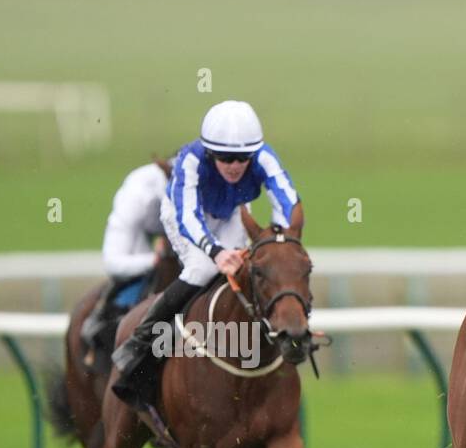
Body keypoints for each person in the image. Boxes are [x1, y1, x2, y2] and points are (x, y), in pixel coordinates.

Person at [109, 100, 303, 410]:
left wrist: (282, 237)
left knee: (255, 269)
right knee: (201, 270)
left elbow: (288, 201)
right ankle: (140, 344)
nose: (235, 166)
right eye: (225, 158)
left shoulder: (265, 158)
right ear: (210, 153)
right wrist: (214, 251)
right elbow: (188, 217)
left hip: (230, 214)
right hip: (184, 215)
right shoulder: (191, 160)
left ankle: (280, 335)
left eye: (242, 158)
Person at [80, 158, 173, 371]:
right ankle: (105, 339)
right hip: (141, 232)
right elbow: (113, 262)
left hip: (174, 222)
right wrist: (154, 260)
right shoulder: (135, 198)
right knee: (138, 282)